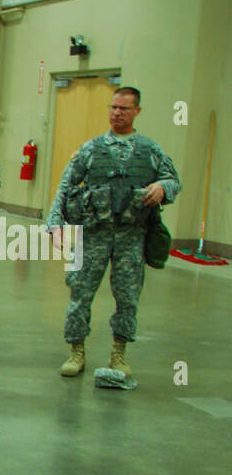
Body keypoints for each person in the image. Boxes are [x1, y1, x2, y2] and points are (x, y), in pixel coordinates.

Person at [45, 86, 180, 378]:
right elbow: (66, 186)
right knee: (80, 294)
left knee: (127, 297)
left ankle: (119, 353)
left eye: (124, 108)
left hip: (131, 236)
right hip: (92, 234)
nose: (117, 113)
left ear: (137, 111)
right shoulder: (91, 149)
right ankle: (76, 351)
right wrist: (54, 225)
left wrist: (162, 187)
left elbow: (173, 180)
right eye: (114, 107)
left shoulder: (150, 150)